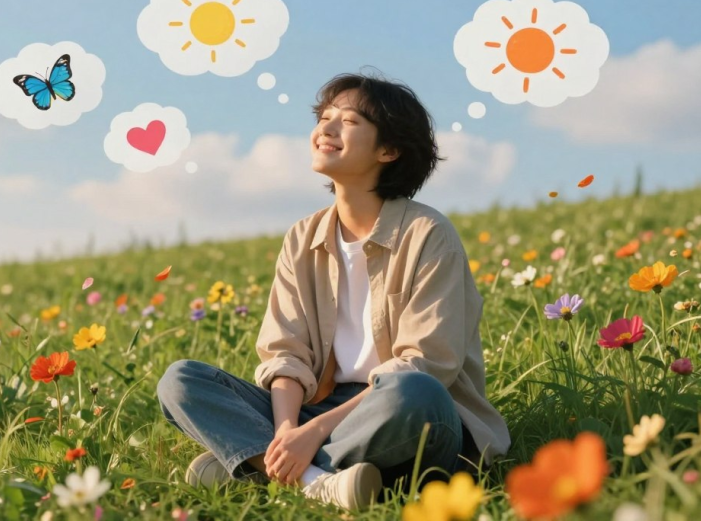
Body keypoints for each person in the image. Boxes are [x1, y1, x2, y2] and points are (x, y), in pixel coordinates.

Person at [155, 71, 512, 511]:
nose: (326, 127)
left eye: (349, 121)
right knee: (182, 380)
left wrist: (315, 432)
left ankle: (254, 466)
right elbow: (285, 354)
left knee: (413, 393)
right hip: (315, 409)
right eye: (324, 117)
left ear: (389, 150)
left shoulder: (428, 233)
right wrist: (289, 431)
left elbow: (425, 364)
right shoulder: (302, 237)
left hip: (401, 411)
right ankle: (316, 479)